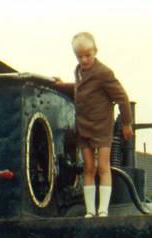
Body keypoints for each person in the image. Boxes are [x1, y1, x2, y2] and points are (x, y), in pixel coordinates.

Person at [55, 32, 133, 217]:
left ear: (95, 51)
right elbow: (80, 88)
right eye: (79, 56)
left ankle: (103, 210)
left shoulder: (104, 73)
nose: (84, 60)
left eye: (87, 55)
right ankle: (90, 210)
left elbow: (122, 98)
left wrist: (126, 123)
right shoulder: (79, 71)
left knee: (103, 167)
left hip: (101, 126)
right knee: (89, 167)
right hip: (84, 127)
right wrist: (62, 85)